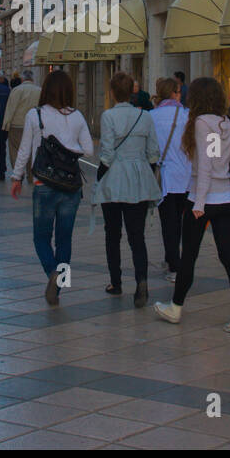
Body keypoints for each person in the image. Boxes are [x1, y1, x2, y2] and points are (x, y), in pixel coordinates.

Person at [154, 77, 230, 333]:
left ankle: (175, 307)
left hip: (203, 199)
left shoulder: (200, 123)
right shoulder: (225, 122)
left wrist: (199, 203)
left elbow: (206, 165)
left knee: (189, 256)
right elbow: (227, 157)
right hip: (226, 197)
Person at [10, 70, 94, 306]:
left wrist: (16, 178)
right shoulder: (77, 116)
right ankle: (59, 289)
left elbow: (25, 151)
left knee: (41, 238)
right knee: (65, 240)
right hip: (71, 186)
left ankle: (52, 275)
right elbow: (88, 150)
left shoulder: (35, 115)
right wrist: (69, 146)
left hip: (44, 184)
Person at [93, 72, 162, 307]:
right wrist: (147, 172)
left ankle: (116, 282)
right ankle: (141, 280)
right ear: (132, 91)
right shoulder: (145, 116)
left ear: (112, 92)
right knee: (137, 236)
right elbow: (153, 151)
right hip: (139, 178)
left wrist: (99, 176)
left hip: (114, 179)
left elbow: (107, 153)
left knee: (112, 234)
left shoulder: (108, 116)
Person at [149, 77, 191, 283]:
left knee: (168, 222)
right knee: (181, 222)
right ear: (174, 93)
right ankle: (175, 259)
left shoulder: (152, 116)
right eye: (179, 91)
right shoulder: (187, 116)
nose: (181, 94)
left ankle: (174, 263)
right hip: (186, 176)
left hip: (164, 178)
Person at [2, 69, 39, 167]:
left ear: (22, 79)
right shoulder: (39, 90)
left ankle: (18, 175)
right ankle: (31, 175)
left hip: (16, 126)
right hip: (34, 126)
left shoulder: (16, 90)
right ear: (33, 79)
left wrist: (6, 125)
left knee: (15, 151)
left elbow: (10, 108)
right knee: (31, 151)